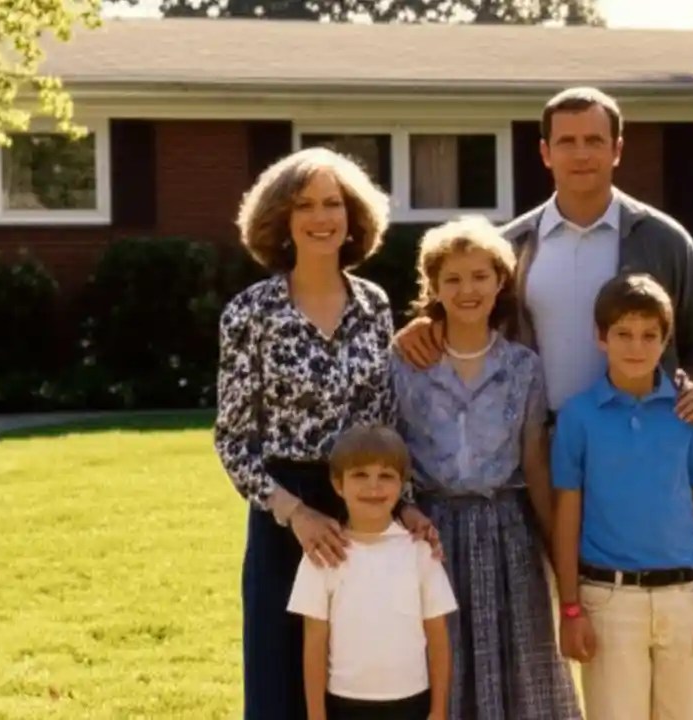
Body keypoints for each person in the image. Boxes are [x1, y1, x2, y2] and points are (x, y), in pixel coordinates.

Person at [214, 147, 439, 720]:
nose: (321, 217)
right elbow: (233, 441)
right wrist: (296, 513)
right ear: (281, 221)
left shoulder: (374, 306)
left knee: (354, 678)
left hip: (362, 507)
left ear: (352, 216)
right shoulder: (250, 313)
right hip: (284, 515)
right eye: (305, 205)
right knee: (280, 676)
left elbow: (384, 424)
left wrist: (404, 505)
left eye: (333, 203)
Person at [394, 86, 693, 427]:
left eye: (594, 141)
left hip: (636, 437)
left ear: (617, 150)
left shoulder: (663, 240)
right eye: (567, 142)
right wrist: (422, 328)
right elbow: (467, 317)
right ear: (545, 152)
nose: (580, 154)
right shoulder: (512, 245)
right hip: (538, 442)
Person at [391, 216, 582, 720]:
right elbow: (389, 454)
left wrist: (560, 561)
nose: (467, 289)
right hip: (432, 534)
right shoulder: (405, 364)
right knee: (442, 669)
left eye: (479, 276)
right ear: (433, 287)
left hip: (508, 533)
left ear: (501, 281)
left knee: (523, 668)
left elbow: (536, 464)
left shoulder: (523, 368)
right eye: (452, 279)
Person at [551, 273, 693, 720]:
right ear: (600, 338)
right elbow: (567, 519)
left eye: (650, 335)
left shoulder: (690, 413)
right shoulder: (578, 417)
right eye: (623, 334)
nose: (636, 346)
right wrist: (571, 608)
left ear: (665, 339)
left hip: (682, 598)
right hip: (608, 602)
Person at [287, 425, 456, 720]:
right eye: (360, 475)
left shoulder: (420, 552)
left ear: (402, 484)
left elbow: (438, 636)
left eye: (386, 476)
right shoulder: (323, 556)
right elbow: (314, 642)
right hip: (345, 704)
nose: (374, 487)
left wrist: (439, 710)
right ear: (338, 485)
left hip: (412, 702)